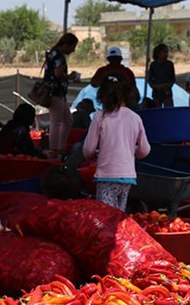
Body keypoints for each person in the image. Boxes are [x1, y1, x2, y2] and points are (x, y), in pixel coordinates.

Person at [83, 75, 151, 211]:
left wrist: (93, 155)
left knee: (106, 214)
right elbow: (145, 149)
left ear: (101, 96)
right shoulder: (135, 118)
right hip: (127, 176)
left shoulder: (99, 117)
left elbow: (89, 149)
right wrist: (132, 152)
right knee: (119, 214)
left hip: (107, 175)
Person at [44, 33, 79, 157]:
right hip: (56, 92)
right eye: (73, 47)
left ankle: (60, 147)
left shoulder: (53, 53)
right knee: (56, 122)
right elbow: (58, 73)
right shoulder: (58, 55)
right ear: (67, 44)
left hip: (58, 93)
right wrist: (69, 77)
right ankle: (54, 149)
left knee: (67, 120)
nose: (73, 50)